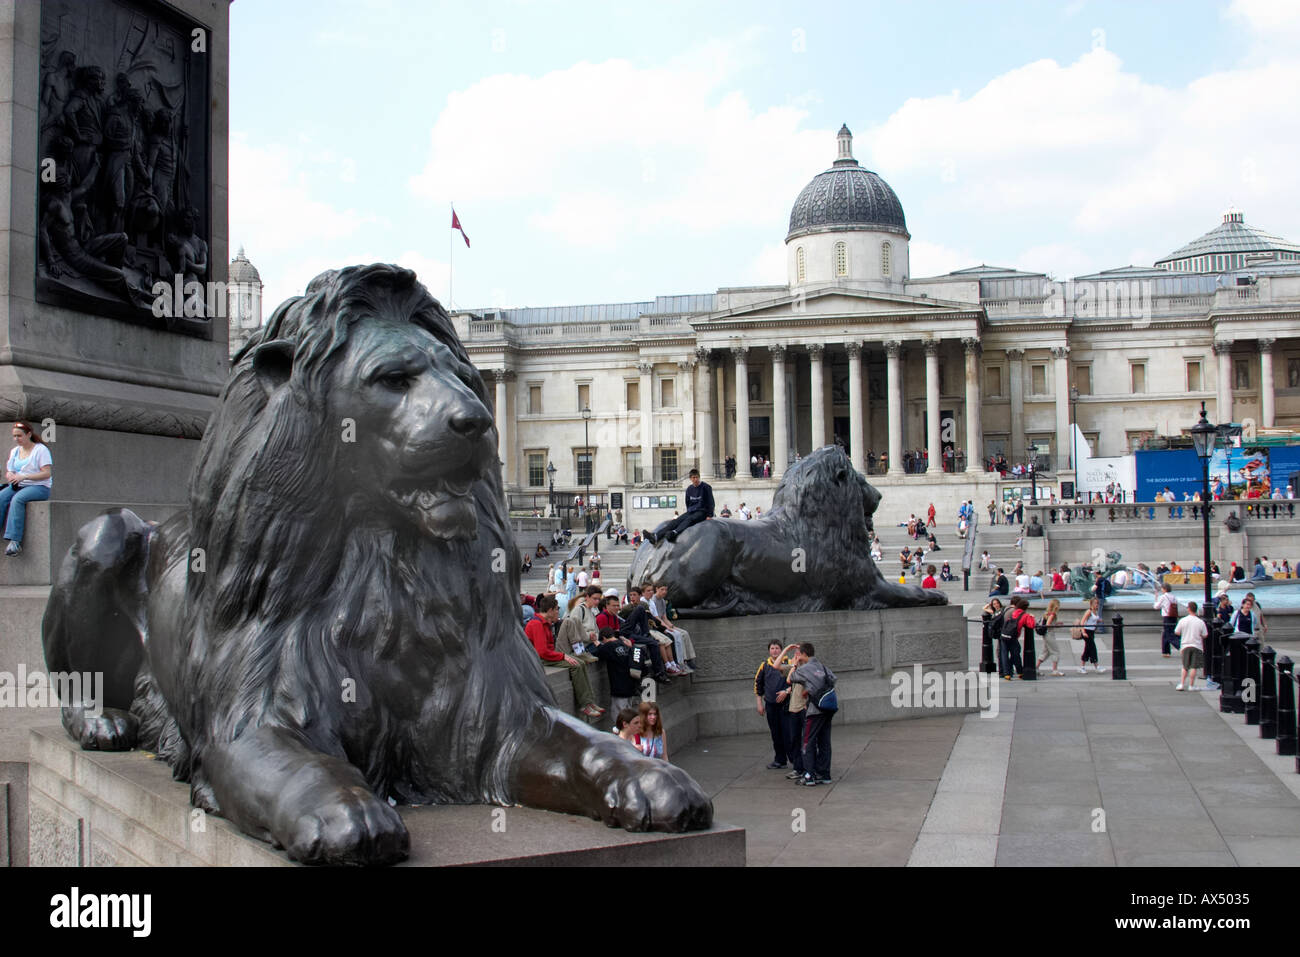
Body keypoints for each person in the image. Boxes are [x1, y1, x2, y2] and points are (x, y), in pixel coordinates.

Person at [526, 595, 605, 719]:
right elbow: (542, 652)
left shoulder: (544, 622)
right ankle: (585, 705)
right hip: (540, 659)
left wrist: (562, 656)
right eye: (557, 609)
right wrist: (563, 656)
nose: (559, 611)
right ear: (550, 610)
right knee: (576, 665)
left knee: (581, 663)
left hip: (548, 655)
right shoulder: (536, 624)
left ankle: (590, 702)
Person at [2, 421, 54, 557]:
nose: (16, 439)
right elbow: (9, 471)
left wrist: (24, 476)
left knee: (17, 500)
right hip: (18, 485)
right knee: (1, 497)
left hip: (39, 487)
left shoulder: (40, 449)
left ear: (29, 434)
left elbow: (47, 473)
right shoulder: (14, 451)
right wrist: (11, 475)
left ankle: (14, 541)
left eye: (19, 436)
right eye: (14, 436)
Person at [790, 642, 836, 786]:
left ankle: (809, 775)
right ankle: (824, 774)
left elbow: (790, 679)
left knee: (807, 742)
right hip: (827, 709)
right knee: (824, 742)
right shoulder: (822, 666)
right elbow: (834, 679)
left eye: (799, 654)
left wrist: (794, 664)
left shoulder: (805, 668)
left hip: (814, 710)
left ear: (803, 654)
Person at [644, 468, 714, 545]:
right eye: (693, 477)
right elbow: (687, 502)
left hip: (702, 511)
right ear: (690, 478)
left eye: (697, 477)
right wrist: (689, 511)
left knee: (690, 519)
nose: (695, 479)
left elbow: (711, 502)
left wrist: (709, 515)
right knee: (676, 521)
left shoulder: (706, 487)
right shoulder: (689, 489)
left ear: (699, 477)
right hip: (691, 511)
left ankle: (675, 532)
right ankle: (656, 536)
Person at [755, 640, 794, 769]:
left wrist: (787, 692)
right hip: (771, 705)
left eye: (777, 648)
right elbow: (758, 685)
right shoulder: (764, 665)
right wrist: (759, 703)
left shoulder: (789, 663)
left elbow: (797, 682)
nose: (775, 651)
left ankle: (795, 760)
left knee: (788, 733)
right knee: (775, 734)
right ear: (769, 650)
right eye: (772, 648)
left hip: (786, 705)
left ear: (781, 650)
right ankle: (780, 760)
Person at [593, 626, 641, 716]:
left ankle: (622, 730)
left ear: (603, 638)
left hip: (619, 687)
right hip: (631, 684)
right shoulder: (624, 644)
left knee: (619, 716)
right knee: (629, 713)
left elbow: (598, 652)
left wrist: (595, 642)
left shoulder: (608, 646)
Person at [1174, 601, 1208, 692]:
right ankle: (1191, 685)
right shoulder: (1200, 622)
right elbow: (1205, 635)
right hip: (1197, 645)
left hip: (1185, 645)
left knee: (1185, 666)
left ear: (1188, 609)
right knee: (1193, 667)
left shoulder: (1183, 620)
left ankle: (1181, 684)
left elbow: (1177, 632)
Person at [998, 597, 1028, 680]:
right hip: (1011, 635)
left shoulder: (1006, 609)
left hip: (1003, 633)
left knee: (1004, 654)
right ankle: (1019, 671)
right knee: (1016, 652)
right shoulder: (1015, 611)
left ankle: (1005, 673)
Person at [1036, 597, 1064, 675]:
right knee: (1055, 651)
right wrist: (1056, 625)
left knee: (1046, 652)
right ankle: (1055, 670)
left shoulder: (1047, 613)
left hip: (1046, 635)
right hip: (1049, 634)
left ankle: (1036, 668)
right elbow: (1048, 624)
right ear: (1056, 606)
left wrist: (1057, 623)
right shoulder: (1053, 614)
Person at [1078, 597, 1104, 673]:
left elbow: (1093, 621)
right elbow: (1082, 622)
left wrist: (1098, 620)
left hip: (1091, 632)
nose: (1097, 605)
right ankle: (1097, 666)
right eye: (1095, 603)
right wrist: (1083, 632)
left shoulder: (1095, 612)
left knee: (1088, 649)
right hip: (1086, 631)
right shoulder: (1089, 612)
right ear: (1091, 604)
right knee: (1092, 648)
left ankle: (1082, 667)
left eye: (1098, 603)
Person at [1154, 582, 1179, 656]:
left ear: (1164, 589)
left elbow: (1156, 607)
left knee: (1169, 635)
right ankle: (1166, 651)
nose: (1161, 590)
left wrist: (1156, 599)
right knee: (1165, 634)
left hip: (1167, 617)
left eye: (1162, 588)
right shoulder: (1173, 596)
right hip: (1173, 616)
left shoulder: (1163, 597)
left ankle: (1180, 647)